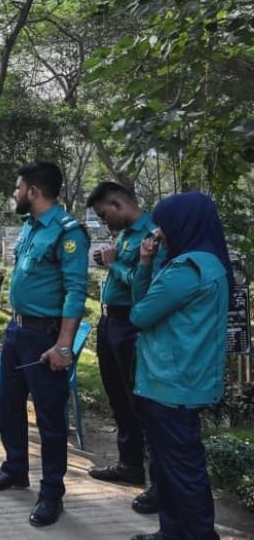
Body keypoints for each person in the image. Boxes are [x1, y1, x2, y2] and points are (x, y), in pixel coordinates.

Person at [0, 162, 89, 528]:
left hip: (45, 338)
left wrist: (64, 346)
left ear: (34, 191)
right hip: (17, 331)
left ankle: (51, 493)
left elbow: (75, 292)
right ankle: (15, 468)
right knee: (7, 403)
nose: (15, 193)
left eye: (17, 187)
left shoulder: (68, 233)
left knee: (50, 420)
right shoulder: (29, 227)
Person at [129, 192, 229, 540]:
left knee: (183, 472)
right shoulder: (211, 262)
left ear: (182, 223)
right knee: (170, 468)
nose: (159, 232)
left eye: (163, 224)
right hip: (184, 379)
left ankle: (201, 535)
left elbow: (140, 314)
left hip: (171, 385)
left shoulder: (186, 270)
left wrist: (144, 264)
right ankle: (170, 532)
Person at [85, 181, 164, 514]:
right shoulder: (128, 234)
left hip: (130, 323)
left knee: (139, 400)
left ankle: (157, 482)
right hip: (109, 322)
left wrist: (114, 263)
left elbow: (143, 285)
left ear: (118, 204)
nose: (105, 223)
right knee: (117, 397)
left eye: (105, 215)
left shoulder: (151, 235)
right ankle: (129, 463)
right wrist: (112, 260)